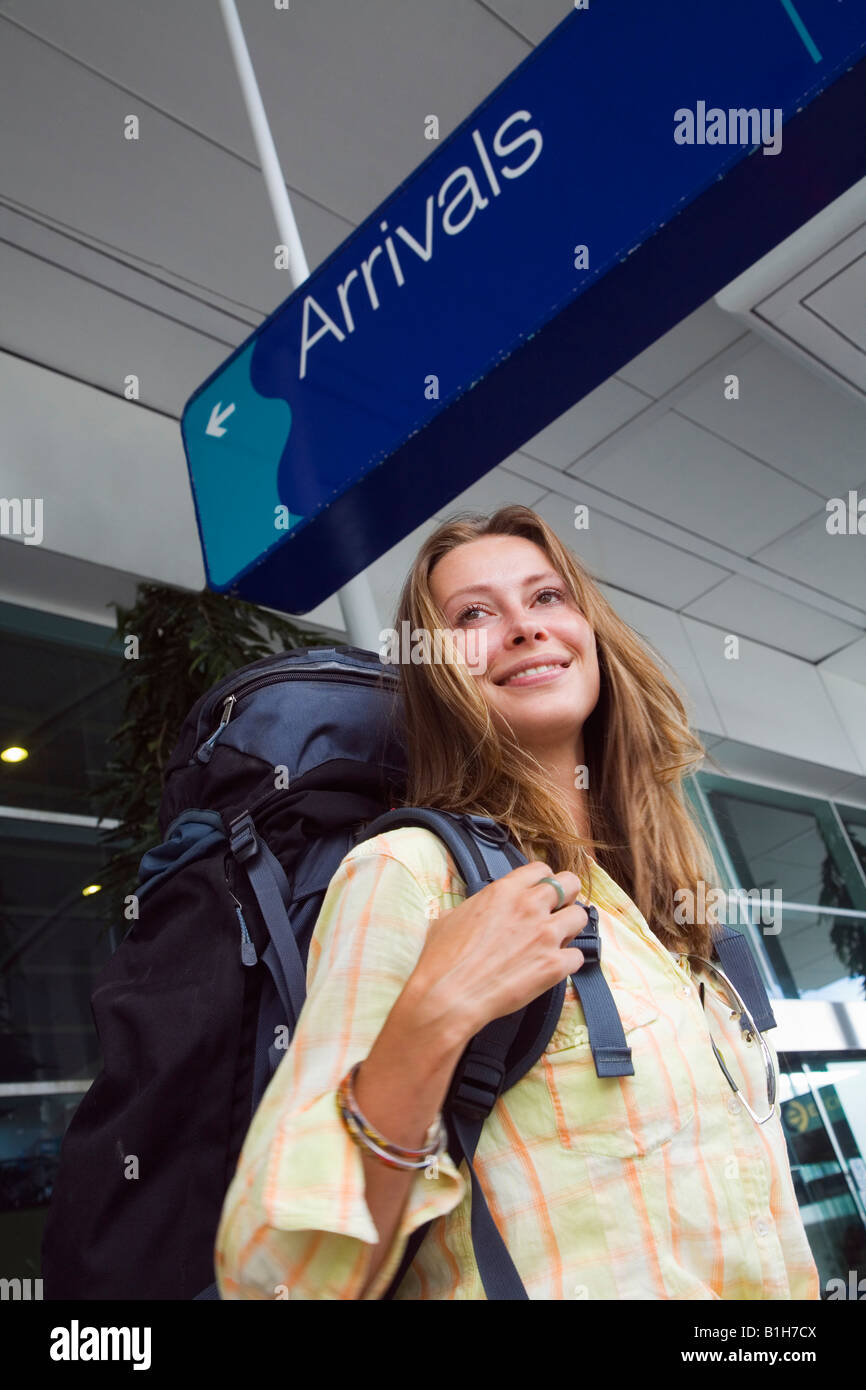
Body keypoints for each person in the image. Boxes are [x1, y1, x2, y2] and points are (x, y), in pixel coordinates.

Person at [214, 504, 819, 1301]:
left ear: (590, 630)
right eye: (473, 615)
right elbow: (274, 1279)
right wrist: (431, 1016)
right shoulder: (412, 872)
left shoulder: (665, 899)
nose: (526, 628)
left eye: (546, 598)